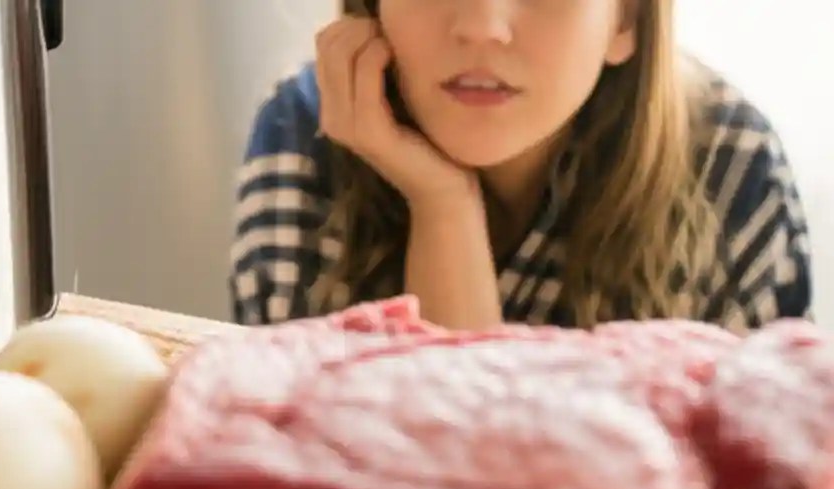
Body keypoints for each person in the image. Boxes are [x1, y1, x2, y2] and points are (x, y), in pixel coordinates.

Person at [230, 0, 812, 332]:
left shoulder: (731, 169)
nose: (483, 24)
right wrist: (442, 205)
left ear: (626, 20)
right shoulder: (303, 137)